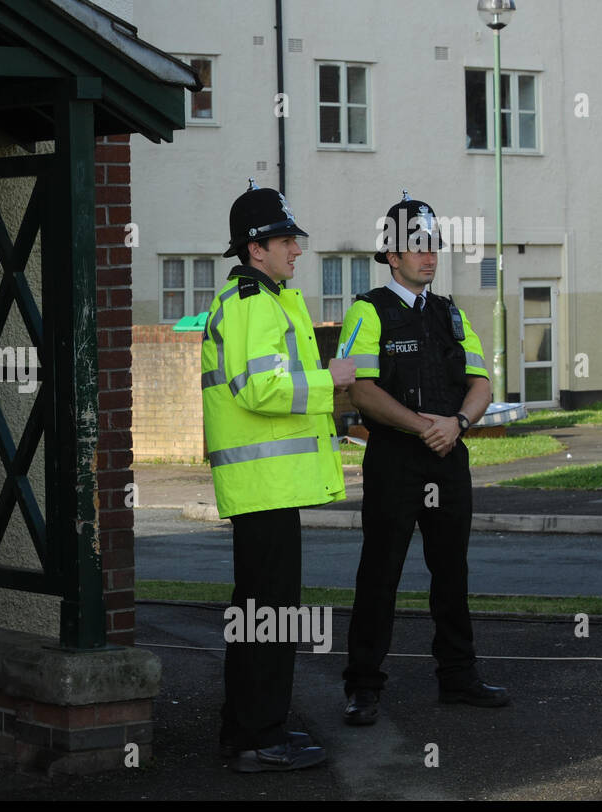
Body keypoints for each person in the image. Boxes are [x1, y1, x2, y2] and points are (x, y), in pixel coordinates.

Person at [202, 180, 355, 772]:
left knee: (261, 614)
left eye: (295, 239)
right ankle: (258, 738)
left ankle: (249, 731)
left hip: (271, 489)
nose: (297, 250)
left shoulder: (272, 297)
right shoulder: (251, 302)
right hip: (263, 490)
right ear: (253, 248)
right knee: (269, 615)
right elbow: (259, 387)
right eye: (285, 239)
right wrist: (331, 380)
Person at [340, 191, 508, 726]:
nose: (429, 255)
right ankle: (363, 686)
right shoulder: (367, 312)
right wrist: (423, 427)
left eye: (433, 244)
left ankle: (458, 677)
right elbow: (359, 392)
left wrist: (456, 424)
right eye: (416, 246)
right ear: (392, 256)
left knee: (451, 571)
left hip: (448, 458)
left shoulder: (450, 312)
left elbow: (481, 382)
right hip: (395, 459)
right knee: (380, 573)